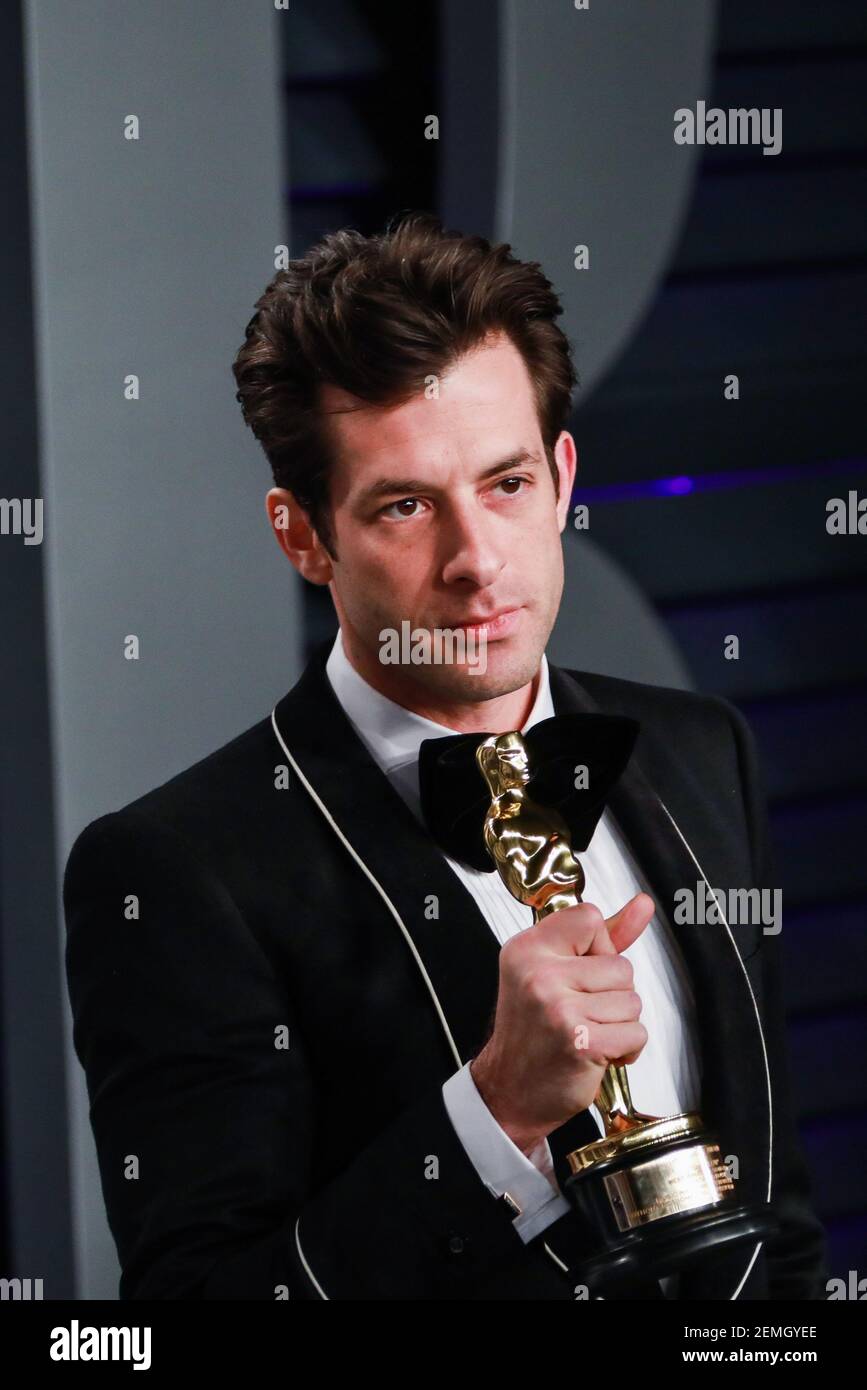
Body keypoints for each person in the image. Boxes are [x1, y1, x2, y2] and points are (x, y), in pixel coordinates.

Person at [63, 212, 827, 1300]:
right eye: (406, 506)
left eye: (506, 484)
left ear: (562, 477)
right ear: (303, 534)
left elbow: (777, 1220)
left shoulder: (702, 750)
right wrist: (497, 1109)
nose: (476, 560)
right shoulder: (174, 870)